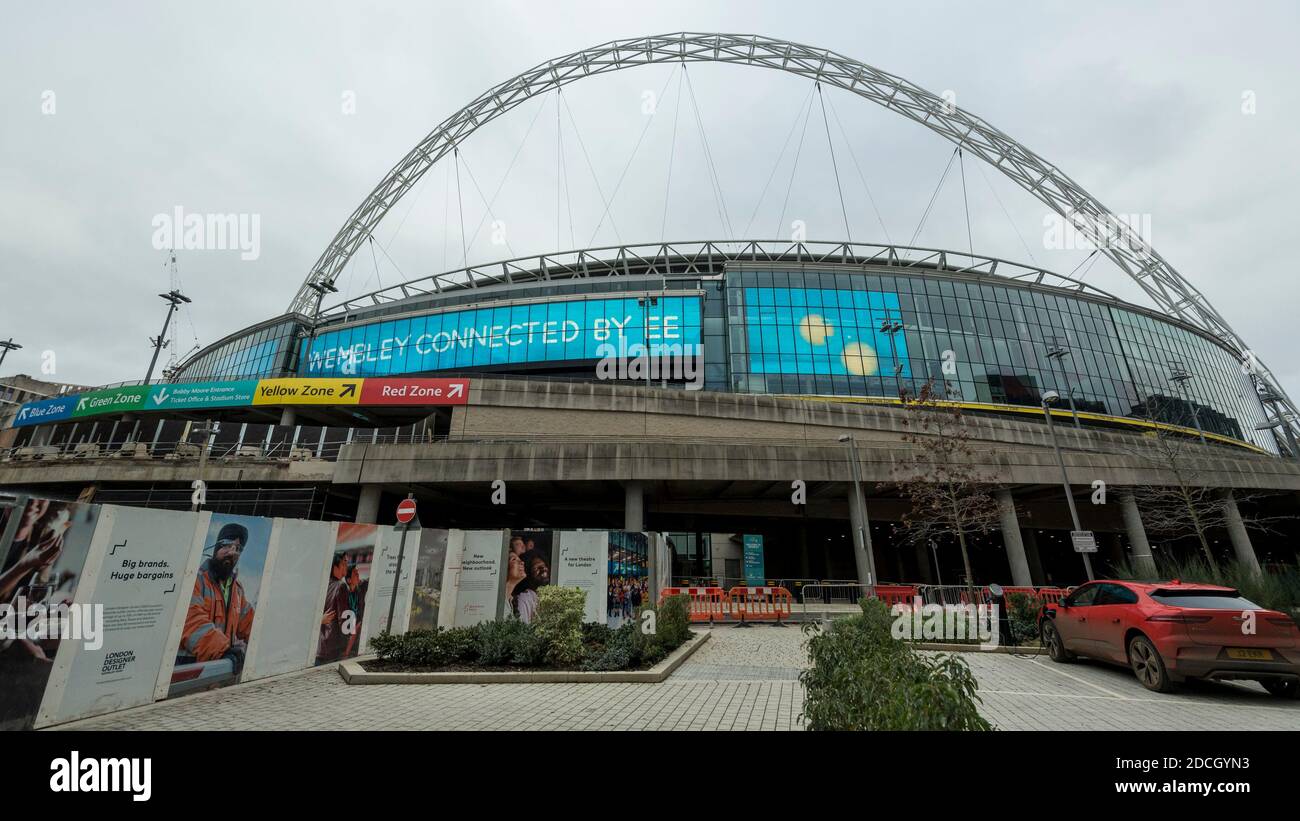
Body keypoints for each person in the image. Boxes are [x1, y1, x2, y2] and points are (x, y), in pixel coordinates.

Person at [177, 522, 255, 675]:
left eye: (237, 549)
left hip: (220, 670)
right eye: (227, 545)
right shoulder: (195, 580)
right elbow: (190, 621)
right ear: (216, 548)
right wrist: (223, 650)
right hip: (189, 672)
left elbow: (251, 623)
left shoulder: (237, 590)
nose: (232, 552)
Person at [317, 553, 351, 663]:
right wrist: (348, 645)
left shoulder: (323, 584)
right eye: (344, 563)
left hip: (319, 646)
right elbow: (344, 618)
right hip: (332, 646)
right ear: (335, 567)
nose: (347, 565)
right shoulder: (341, 586)